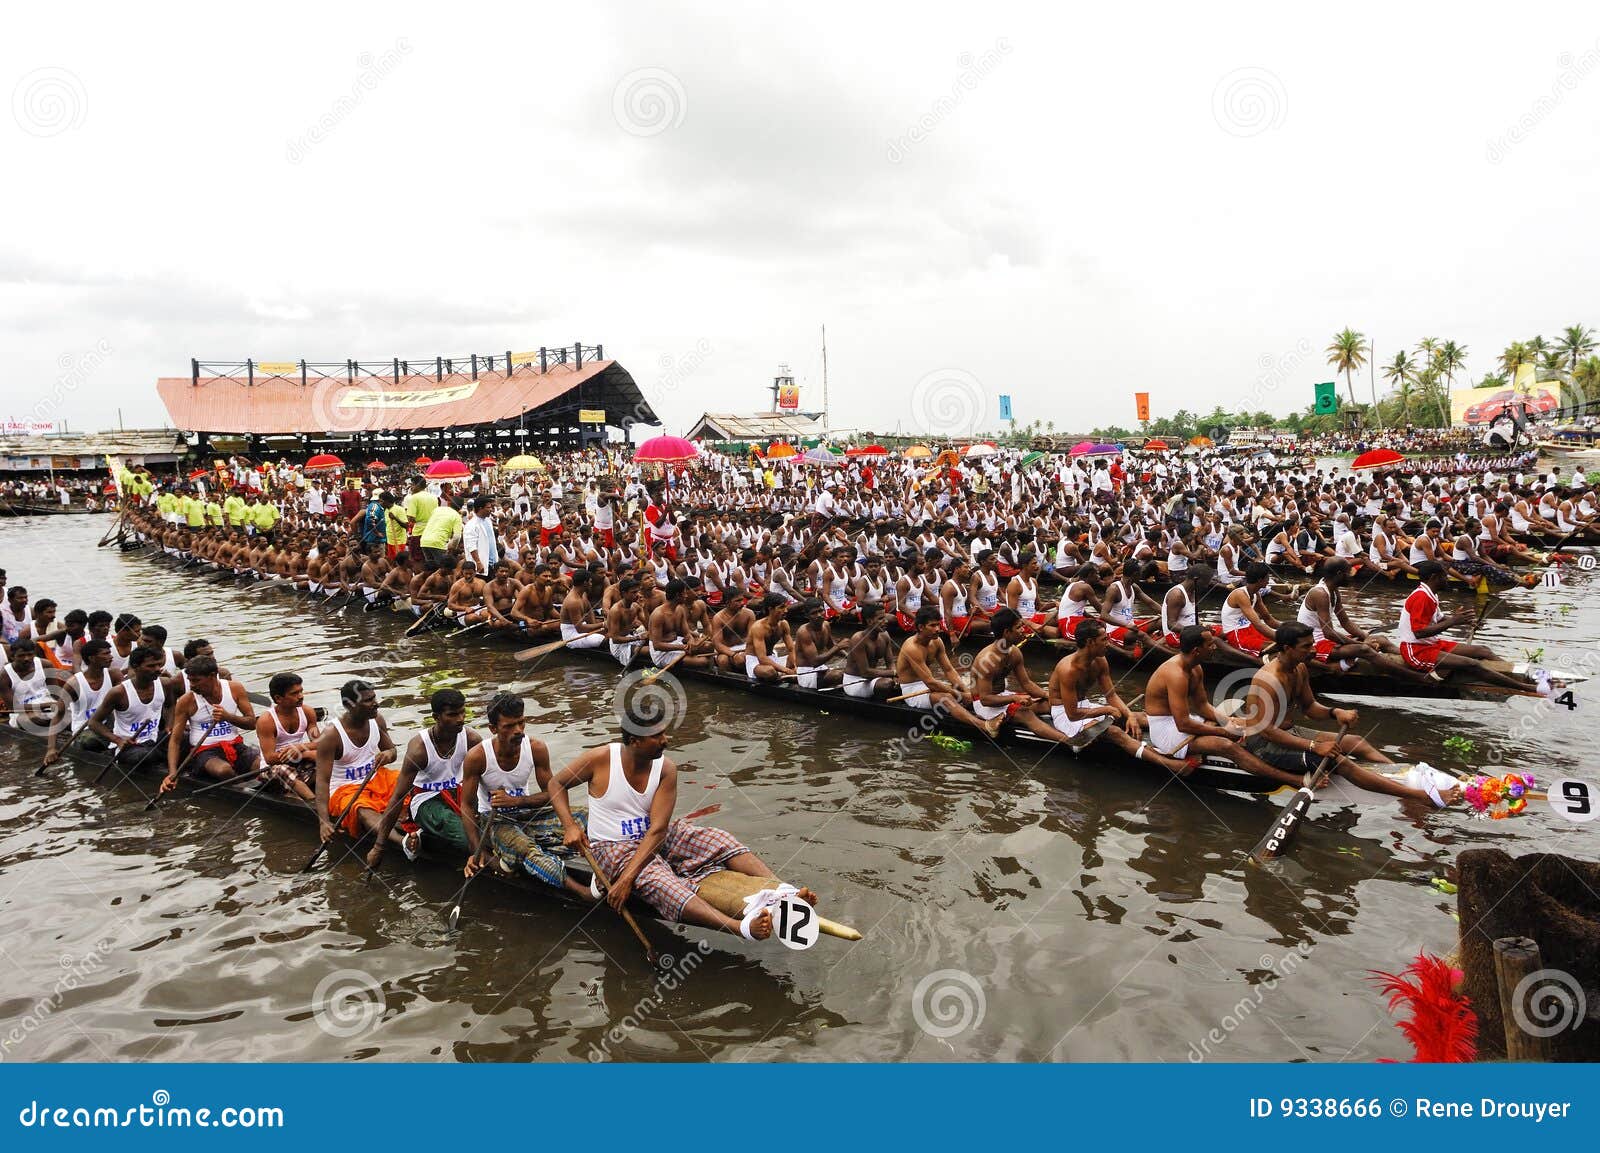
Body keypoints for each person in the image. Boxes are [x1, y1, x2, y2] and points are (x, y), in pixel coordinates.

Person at [545, 704, 816, 940]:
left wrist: (627, 879)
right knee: (661, 881)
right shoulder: (601, 758)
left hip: (655, 836)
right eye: (658, 735)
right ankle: (741, 927)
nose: (666, 739)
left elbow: (659, 830)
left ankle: (784, 893)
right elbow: (556, 783)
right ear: (635, 740)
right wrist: (569, 824)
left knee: (718, 839)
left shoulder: (666, 768)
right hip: (613, 847)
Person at [1240, 623, 1461, 805]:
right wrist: (1314, 747)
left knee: (1357, 742)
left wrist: (1336, 712)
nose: (1313, 650)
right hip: (1263, 745)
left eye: (1312, 644)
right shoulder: (1267, 680)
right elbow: (1266, 731)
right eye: (1306, 646)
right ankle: (1421, 797)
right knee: (1338, 759)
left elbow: (1309, 707)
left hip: (1288, 732)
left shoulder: (1299, 668)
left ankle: (1405, 781)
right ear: (1287, 648)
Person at [460, 692, 592, 896]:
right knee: (525, 848)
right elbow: (467, 806)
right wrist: (479, 852)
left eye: (521, 723)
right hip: (496, 822)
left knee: (586, 815)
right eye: (509, 726)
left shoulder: (536, 748)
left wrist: (517, 801)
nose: (518, 731)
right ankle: (583, 892)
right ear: (493, 729)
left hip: (529, 815)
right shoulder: (477, 756)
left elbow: (552, 794)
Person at [1143, 626, 1289, 783]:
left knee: (1246, 723)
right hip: (1165, 731)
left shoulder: (1196, 667)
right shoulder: (1176, 674)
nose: (1214, 647)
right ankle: (1293, 779)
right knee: (1225, 745)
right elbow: (1183, 725)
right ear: (1196, 651)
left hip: (1183, 721)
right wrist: (1224, 732)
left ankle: (1276, 753)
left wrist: (1228, 721)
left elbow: (1202, 705)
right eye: (1210, 644)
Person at [1047, 620, 1194, 771]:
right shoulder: (1068, 670)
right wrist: (1107, 710)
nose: (1108, 643)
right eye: (1104, 640)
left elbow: (1111, 696)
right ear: (1090, 642)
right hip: (1064, 714)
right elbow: (1072, 714)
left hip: (1085, 706)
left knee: (1140, 717)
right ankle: (1172, 765)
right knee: (1114, 732)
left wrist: (1129, 716)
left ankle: (1191, 731)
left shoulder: (1100, 660)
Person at [368, 688, 484, 865]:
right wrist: (379, 847)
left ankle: (431, 835)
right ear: (436, 717)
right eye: (452, 714)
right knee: (468, 838)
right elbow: (398, 797)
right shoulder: (419, 749)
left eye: (462, 712)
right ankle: (491, 861)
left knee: (485, 827)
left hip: (460, 794)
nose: (460, 719)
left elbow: (488, 777)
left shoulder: (472, 739)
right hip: (426, 800)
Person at [1396, 562, 1536, 690]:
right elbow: (1419, 632)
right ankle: (1524, 686)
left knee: (1483, 651)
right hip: (1415, 651)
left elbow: (1440, 619)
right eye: (1444, 576)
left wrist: (1463, 620)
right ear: (1434, 577)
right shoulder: (1422, 597)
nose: (1448, 579)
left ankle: (1516, 674)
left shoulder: (1430, 594)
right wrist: (1453, 621)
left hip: (1431, 644)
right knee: (1472, 664)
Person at [313, 679, 400, 851]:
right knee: (361, 809)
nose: (376, 704)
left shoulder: (377, 720)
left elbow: (392, 751)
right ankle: (402, 842)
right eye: (368, 700)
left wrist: (388, 754)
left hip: (376, 779)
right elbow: (322, 781)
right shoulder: (331, 735)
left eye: (374, 698)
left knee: (412, 781)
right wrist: (324, 822)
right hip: (345, 790)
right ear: (349, 705)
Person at [894, 605, 1001, 735]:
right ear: (921, 627)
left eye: (938, 625)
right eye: (932, 626)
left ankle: (990, 713)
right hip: (912, 690)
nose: (938, 629)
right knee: (947, 697)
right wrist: (959, 695)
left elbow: (949, 670)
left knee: (974, 689)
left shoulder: (937, 641)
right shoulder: (912, 648)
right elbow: (931, 683)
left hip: (927, 685)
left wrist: (966, 691)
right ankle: (985, 726)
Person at [160, 655, 259, 791]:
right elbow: (175, 741)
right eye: (190, 681)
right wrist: (172, 773)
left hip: (236, 745)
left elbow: (252, 723)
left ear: (213, 676)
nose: (192, 686)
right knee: (224, 771)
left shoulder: (235, 688)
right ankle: (245, 789)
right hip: (204, 751)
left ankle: (252, 785)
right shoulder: (186, 701)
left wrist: (228, 717)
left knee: (261, 766)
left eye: (196, 681)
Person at [88, 645, 170, 771]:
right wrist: (118, 740)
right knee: (145, 755)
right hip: (130, 747)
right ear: (136, 667)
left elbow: (172, 705)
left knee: (184, 738)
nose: (158, 669)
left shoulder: (165, 684)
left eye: (159, 665)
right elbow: (94, 722)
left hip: (154, 739)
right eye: (151, 666)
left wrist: (170, 726)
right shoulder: (119, 692)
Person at [254, 671, 320, 799]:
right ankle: (313, 803)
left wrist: (301, 749)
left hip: (299, 761)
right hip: (272, 768)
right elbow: (270, 758)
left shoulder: (307, 712)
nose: (301, 696)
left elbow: (319, 742)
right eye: (294, 693)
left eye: (301, 691)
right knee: (283, 770)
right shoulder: (266, 720)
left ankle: (296, 791)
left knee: (329, 759)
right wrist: (305, 753)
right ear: (278, 698)